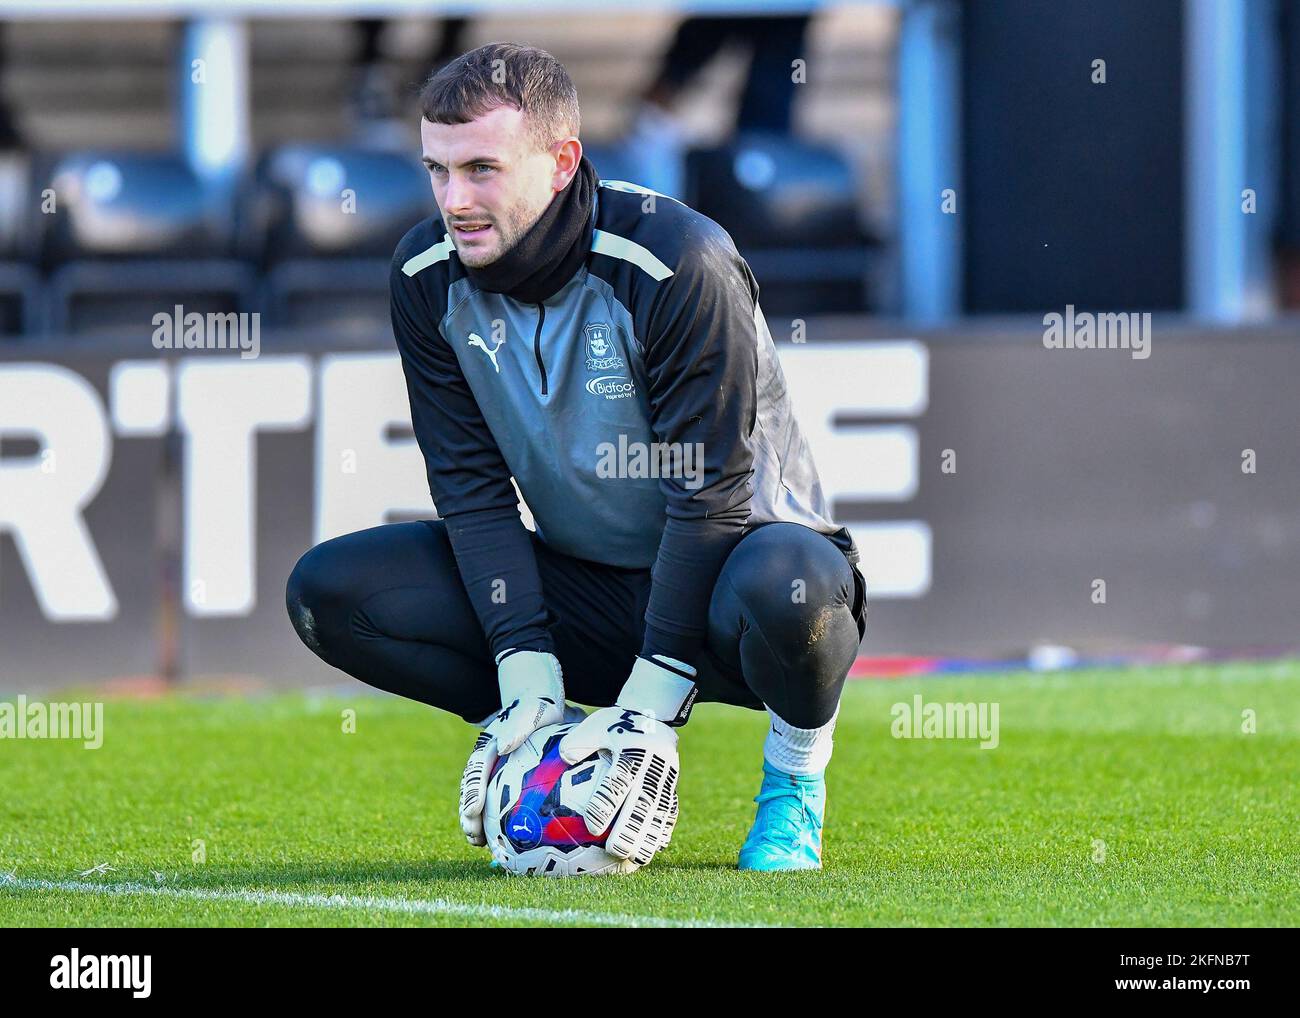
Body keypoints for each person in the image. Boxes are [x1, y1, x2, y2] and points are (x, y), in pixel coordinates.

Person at [286, 42, 866, 873]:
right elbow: (472, 491)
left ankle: (793, 788)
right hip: (586, 590)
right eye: (437, 171)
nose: (456, 201)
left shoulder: (677, 260)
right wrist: (523, 664)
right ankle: (549, 748)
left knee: (795, 588)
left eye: (482, 169)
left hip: (733, 588)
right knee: (330, 593)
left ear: (562, 163)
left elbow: (710, 493)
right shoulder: (422, 273)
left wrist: (652, 702)